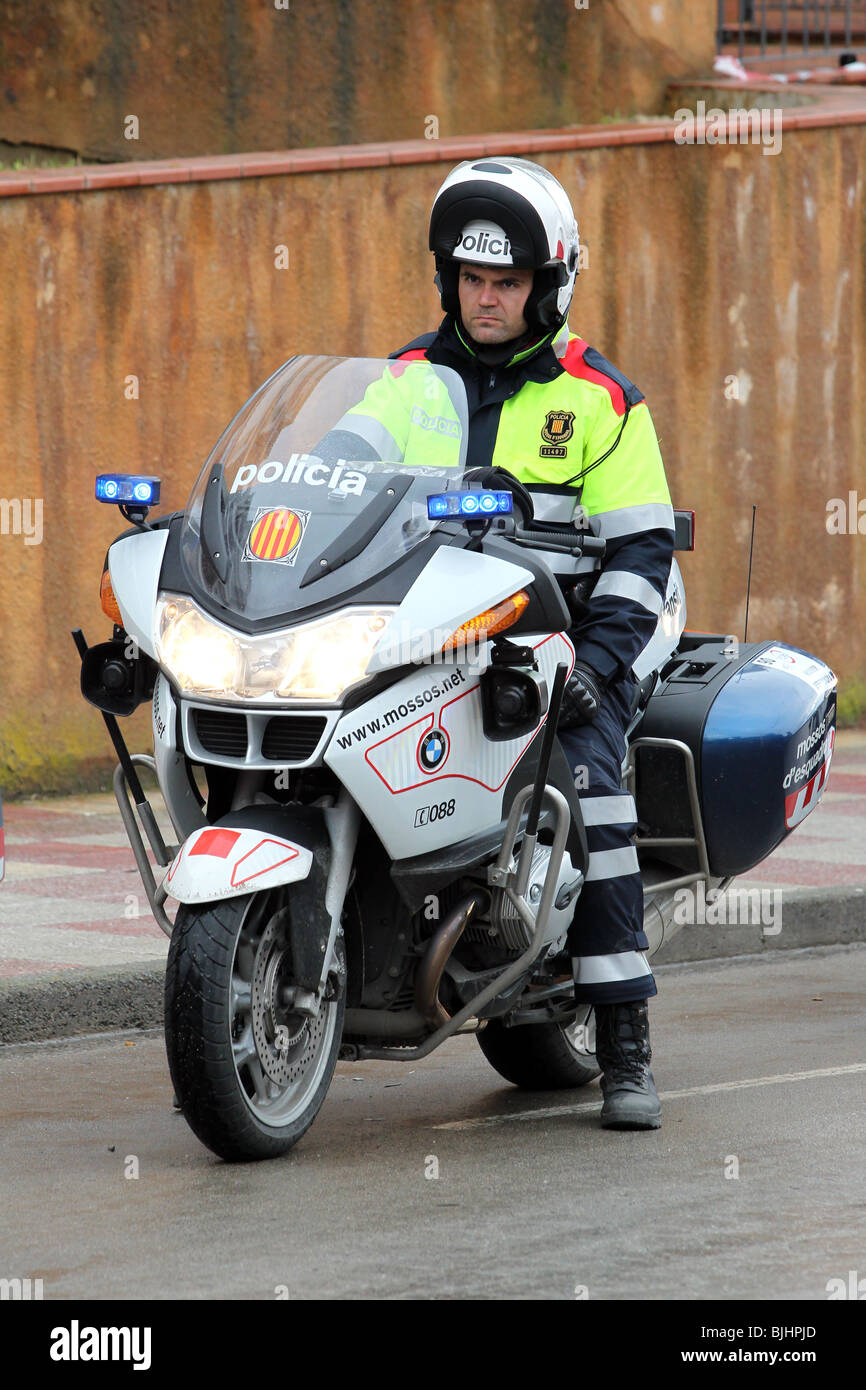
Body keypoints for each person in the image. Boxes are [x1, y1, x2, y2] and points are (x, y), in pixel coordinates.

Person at [338, 158, 675, 1129]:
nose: (485, 300)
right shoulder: (403, 383)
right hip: (456, 631)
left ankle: (623, 1044)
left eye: (507, 283)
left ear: (547, 285)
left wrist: (596, 676)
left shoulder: (599, 398)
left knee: (584, 777)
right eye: (470, 280)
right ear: (448, 280)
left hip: (590, 624)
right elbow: (334, 477)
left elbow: (639, 556)